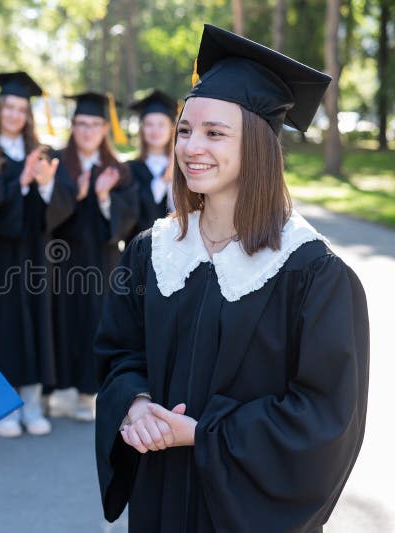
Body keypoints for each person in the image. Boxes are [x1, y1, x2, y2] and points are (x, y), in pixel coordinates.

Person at [94, 24, 369, 532]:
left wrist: (203, 434)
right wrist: (133, 406)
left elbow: (325, 419)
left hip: (245, 511)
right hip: (159, 499)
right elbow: (119, 353)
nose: (191, 146)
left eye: (215, 133)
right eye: (185, 130)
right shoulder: (153, 251)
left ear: (259, 146)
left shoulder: (310, 273)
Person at [0, 72, 77, 438]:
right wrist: (18, 183)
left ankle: (32, 403)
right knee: (2, 327)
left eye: (22, 108)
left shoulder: (44, 154)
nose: (15, 114)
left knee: (37, 324)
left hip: (36, 256)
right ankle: (5, 407)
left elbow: (61, 209)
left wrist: (46, 183)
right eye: (9, 107)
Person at [49, 92, 139, 422]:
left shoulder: (119, 171)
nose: (88, 131)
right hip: (59, 262)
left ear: (105, 128)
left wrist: (103, 196)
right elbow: (44, 215)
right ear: (72, 126)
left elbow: (127, 220)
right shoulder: (56, 163)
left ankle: (89, 394)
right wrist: (78, 193)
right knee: (60, 321)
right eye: (81, 124)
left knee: (94, 322)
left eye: (95, 125)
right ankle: (54, 392)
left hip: (101, 264)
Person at [127, 90, 178, 234]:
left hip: (176, 249)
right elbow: (131, 213)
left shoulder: (183, 166)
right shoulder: (130, 168)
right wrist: (164, 179)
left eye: (161, 124)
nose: (155, 130)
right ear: (142, 129)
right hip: (139, 249)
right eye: (149, 124)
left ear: (171, 128)